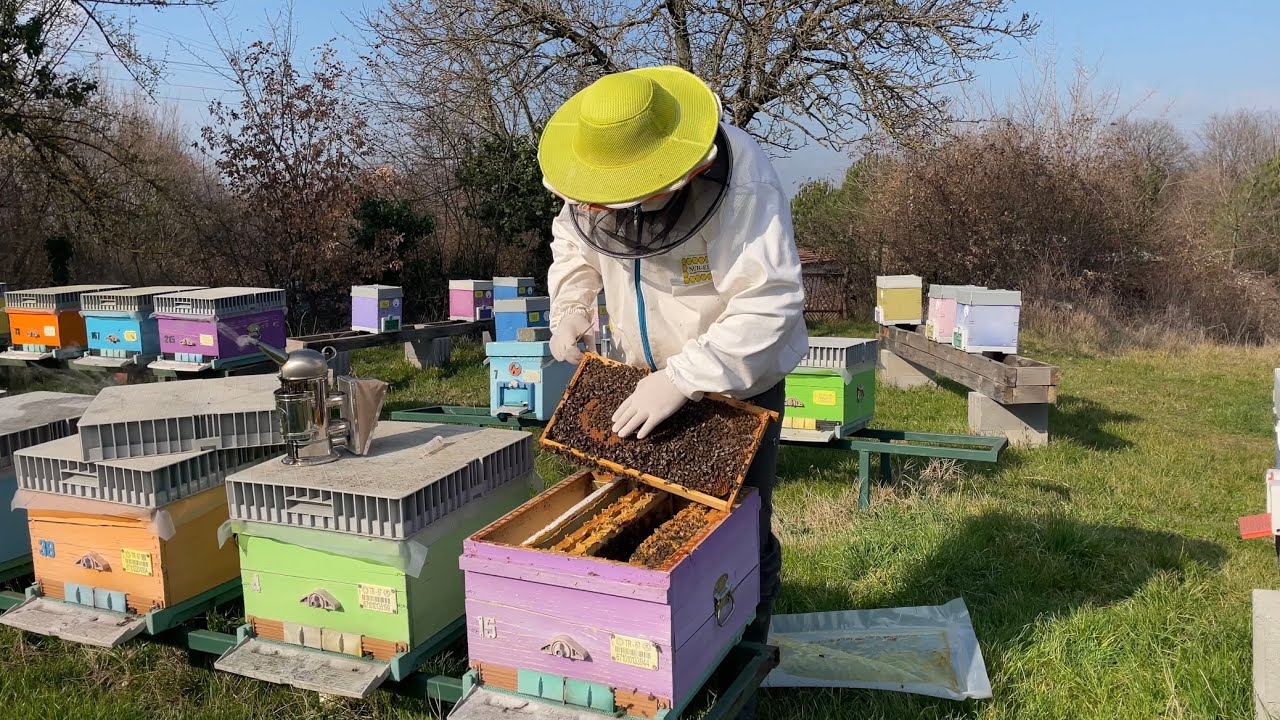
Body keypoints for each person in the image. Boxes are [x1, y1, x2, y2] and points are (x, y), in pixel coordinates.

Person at [539, 65, 808, 718]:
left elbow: (769, 303)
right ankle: (662, 662)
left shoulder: (743, 180)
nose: (615, 213)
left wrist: (687, 377)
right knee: (647, 525)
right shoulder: (591, 170)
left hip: (736, 384)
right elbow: (573, 243)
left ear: (687, 170)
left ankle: (741, 667)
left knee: (737, 537)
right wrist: (570, 306)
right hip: (641, 380)